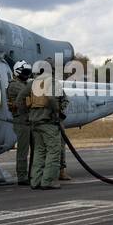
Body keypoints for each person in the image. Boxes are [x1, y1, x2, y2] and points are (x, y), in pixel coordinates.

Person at [27, 62, 69, 190]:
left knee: (39, 152)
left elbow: (22, 99)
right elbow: (52, 98)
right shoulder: (53, 82)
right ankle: (48, 181)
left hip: (34, 122)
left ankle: (35, 181)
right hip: (48, 122)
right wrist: (57, 112)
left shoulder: (32, 83)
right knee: (54, 151)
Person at [6, 60, 34, 185]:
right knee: (23, 150)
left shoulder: (23, 83)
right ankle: (22, 176)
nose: (27, 75)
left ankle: (33, 174)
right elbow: (30, 92)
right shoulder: (15, 85)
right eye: (25, 72)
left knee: (36, 149)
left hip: (29, 119)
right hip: (21, 120)